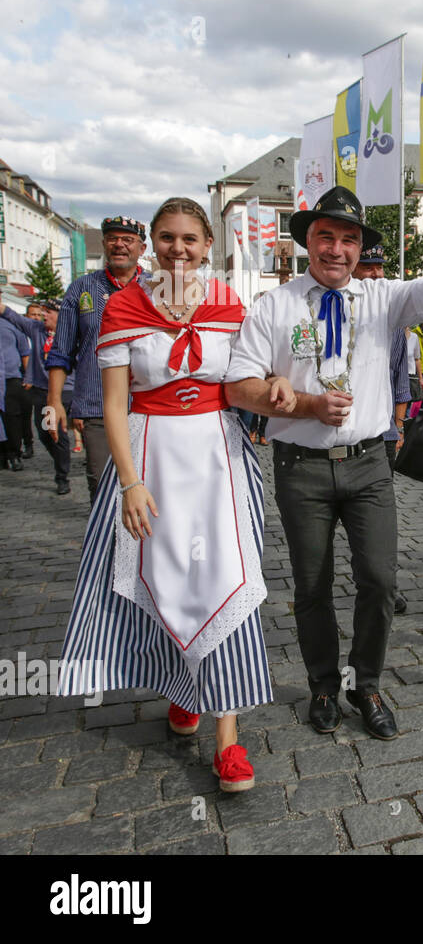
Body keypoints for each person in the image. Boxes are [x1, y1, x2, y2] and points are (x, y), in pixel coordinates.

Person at [225, 168, 423, 741]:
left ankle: (366, 683)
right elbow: (238, 388)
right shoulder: (274, 307)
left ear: (360, 247)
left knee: (380, 581)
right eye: (326, 236)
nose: (337, 249)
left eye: (349, 239)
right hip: (301, 467)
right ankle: (322, 684)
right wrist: (304, 404)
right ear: (308, 240)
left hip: (369, 465)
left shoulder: (382, 298)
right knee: (311, 586)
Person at [56, 197, 293, 792]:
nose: (178, 249)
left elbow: (247, 378)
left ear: (208, 244)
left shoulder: (227, 305)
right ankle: (182, 688)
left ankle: (228, 739)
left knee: (223, 578)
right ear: (152, 244)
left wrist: (277, 382)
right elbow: (114, 402)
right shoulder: (122, 306)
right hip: (149, 455)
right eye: (167, 238)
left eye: (190, 239)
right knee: (162, 574)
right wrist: (130, 482)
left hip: (218, 457)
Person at [46, 216, 148, 497]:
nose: (119, 245)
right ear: (103, 244)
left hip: (149, 407)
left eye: (127, 240)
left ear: (142, 247)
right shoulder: (81, 289)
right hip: (97, 408)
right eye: (113, 239)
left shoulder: (157, 288)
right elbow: (61, 351)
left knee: (150, 487)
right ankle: (107, 542)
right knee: (104, 491)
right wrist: (54, 402)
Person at [351, 243, 414, 616]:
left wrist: (400, 426)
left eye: (380, 267)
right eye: (368, 267)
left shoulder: (394, 322)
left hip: (382, 437)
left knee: (380, 520)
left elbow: (400, 381)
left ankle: (387, 586)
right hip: (335, 437)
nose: (376, 274)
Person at [0, 300, 73, 491]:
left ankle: (62, 477)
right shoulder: (36, 329)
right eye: (43, 312)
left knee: (56, 432)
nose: (43, 315)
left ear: (60, 315)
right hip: (41, 390)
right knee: (44, 433)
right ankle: (62, 460)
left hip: (65, 390)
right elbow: (10, 314)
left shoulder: (72, 332)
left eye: (48, 312)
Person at [0, 315, 29, 470]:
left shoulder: (11, 323)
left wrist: (27, 377)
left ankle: (14, 454)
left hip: (10, 377)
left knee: (12, 418)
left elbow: (24, 352)